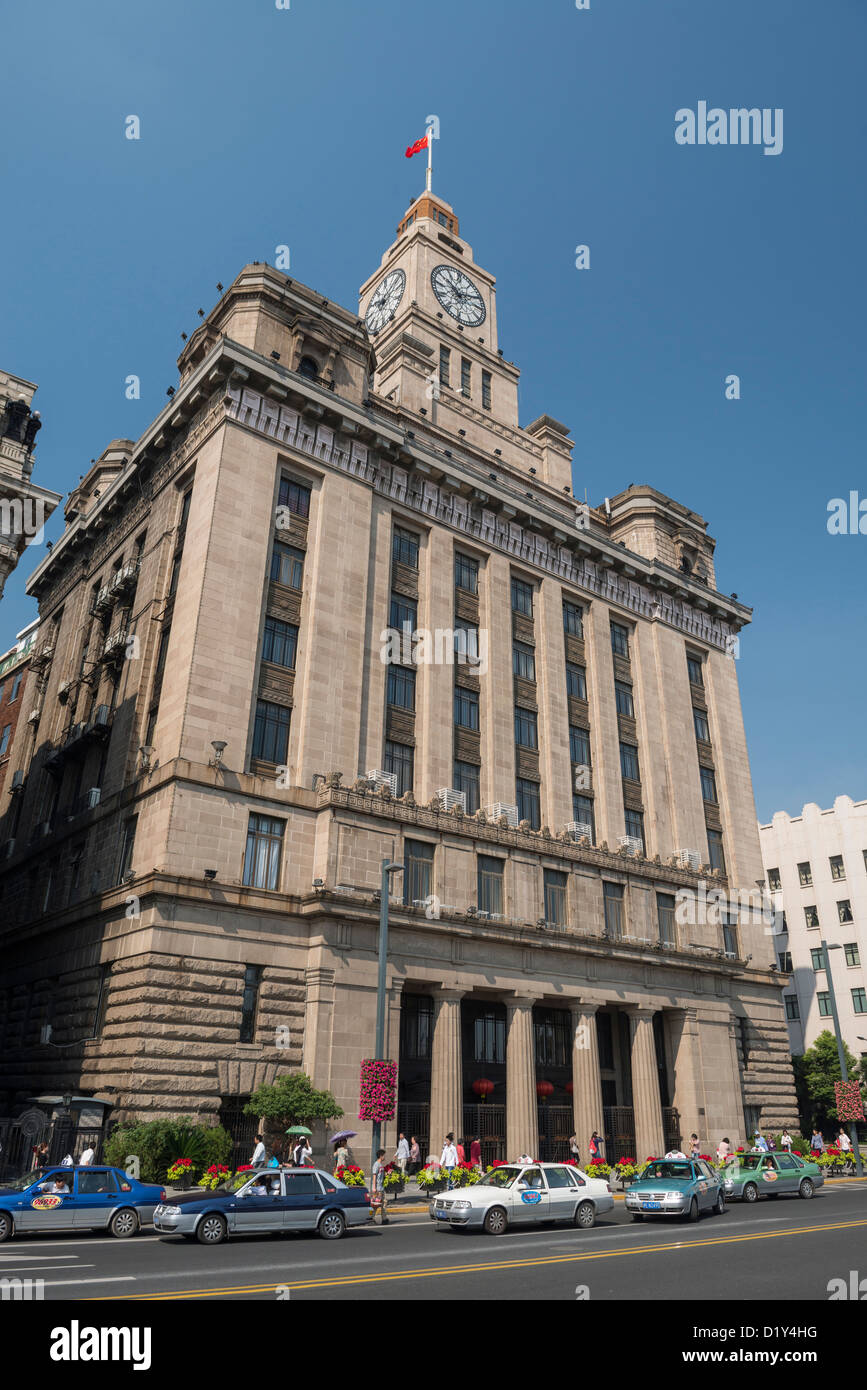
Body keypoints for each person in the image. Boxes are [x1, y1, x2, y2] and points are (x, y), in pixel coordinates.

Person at [371, 1148, 389, 1224]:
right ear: (381, 1156)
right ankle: (371, 1219)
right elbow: (374, 1176)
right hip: (378, 1188)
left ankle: (384, 1219)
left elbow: (381, 1175)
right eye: (384, 1155)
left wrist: (387, 1173)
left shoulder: (380, 1165)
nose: (385, 1157)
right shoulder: (376, 1164)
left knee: (384, 1202)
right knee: (375, 1205)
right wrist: (374, 1187)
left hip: (381, 1187)